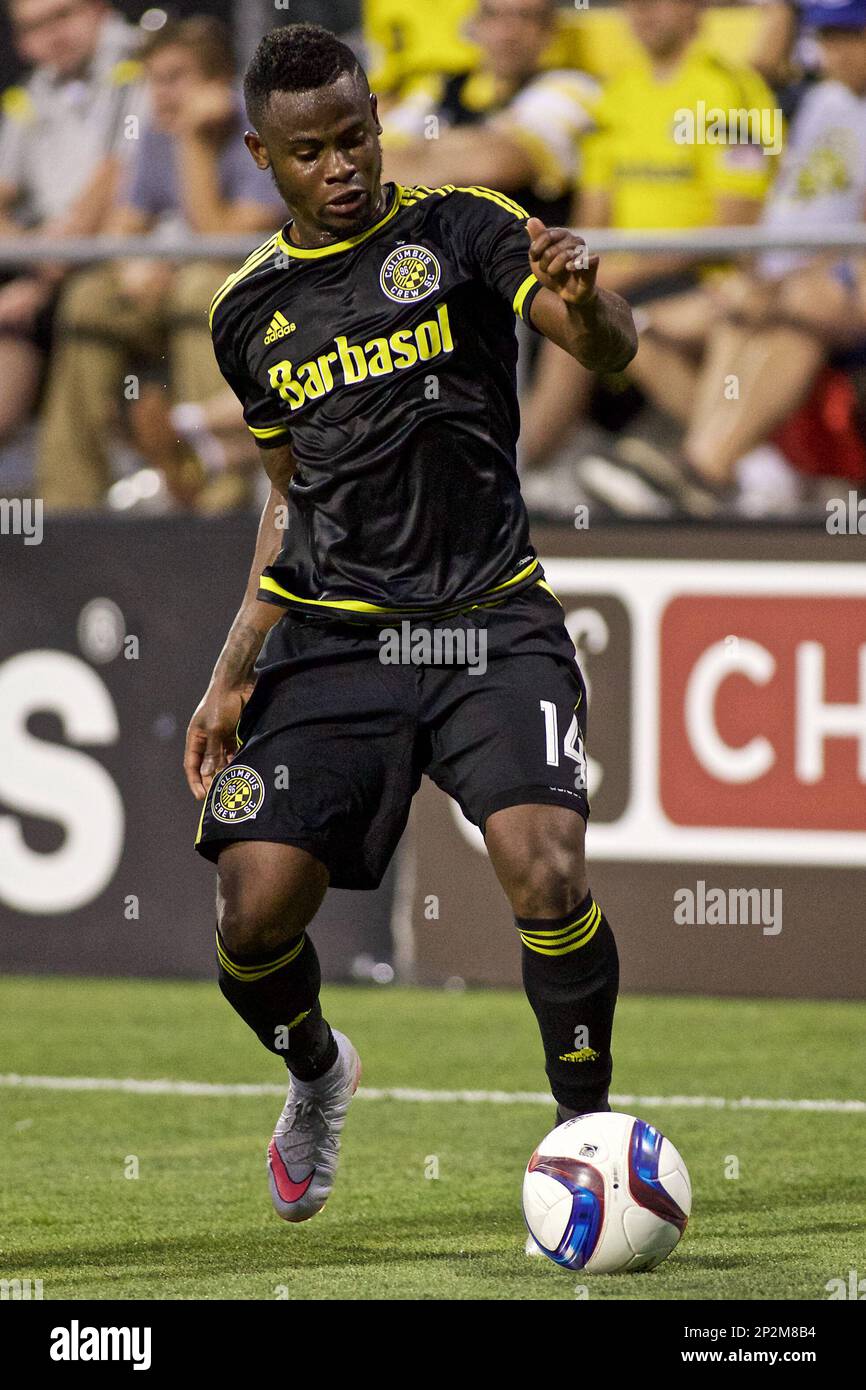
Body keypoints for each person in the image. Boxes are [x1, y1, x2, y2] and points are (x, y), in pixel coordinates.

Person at [184, 23, 636, 1228]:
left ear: (379, 119)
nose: (343, 165)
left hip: (490, 615)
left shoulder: (461, 228)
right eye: (311, 151)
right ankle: (318, 1071)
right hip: (336, 637)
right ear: (260, 157)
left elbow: (606, 341)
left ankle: (580, 1135)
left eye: (356, 135)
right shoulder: (247, 315)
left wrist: (588, 312)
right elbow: (288, 500)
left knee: (543, 870)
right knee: (250, 910)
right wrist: (231, 672)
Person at [605, 0, 866, 511]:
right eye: (826, 36)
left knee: (795, 305)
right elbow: (760, 78)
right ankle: (755, 469)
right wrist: (752, 275)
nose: (830, 50)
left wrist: (779, 279)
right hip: (782, 272)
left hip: (837, 278)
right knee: (636, 328)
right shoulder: (817, 102)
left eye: (847, 36)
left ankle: (704, 470)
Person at [518, 0, 776, 504]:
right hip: (629, 272)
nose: (642, 11)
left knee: (620, 321)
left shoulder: (737, 89)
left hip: (709, 274)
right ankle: (525, 469)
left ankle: (740, 466)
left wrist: (623, 270)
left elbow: (736, 227)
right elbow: (592, 221)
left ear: (696, 9)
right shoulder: (617, 94)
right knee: (568, 309)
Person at [36, 16, 283, 512]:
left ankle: (221, 500)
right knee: (89, 298)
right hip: (173, 281)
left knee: (202, 291)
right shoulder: (156, 130)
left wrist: (192, 141)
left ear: (218, 80)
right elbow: (123, 231)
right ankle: (68, 505)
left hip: (265, 305)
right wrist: (135, 269)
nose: (160, 94)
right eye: (153, 80)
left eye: (175, 78)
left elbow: (226, 244)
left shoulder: (259, 128)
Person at [0, 0, 143, 448]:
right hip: (52, 266)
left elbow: (114, 181)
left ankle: (67, 504)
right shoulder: (35, 90)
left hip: (123, 258)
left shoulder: (143, 62)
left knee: (78, 305)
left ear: (98, 7)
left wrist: (39, 277)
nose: (53, 36)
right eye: (34, 27)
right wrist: (33, 253)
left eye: (63, 16)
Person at [380, 0, 597, 228]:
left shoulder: (573, 88)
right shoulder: (441, 88)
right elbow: (377, 157)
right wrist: (460, 150)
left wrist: (423, 150)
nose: (508, 33)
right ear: (474, 25)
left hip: (521, 253)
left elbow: (496, 164)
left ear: (550, 30)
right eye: (493, 15)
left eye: (525, 18)